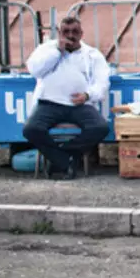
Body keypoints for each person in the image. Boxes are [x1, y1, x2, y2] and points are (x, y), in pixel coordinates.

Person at [23, 16, 111, 180]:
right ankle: (66, 161)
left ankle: (61, 158)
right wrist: (57, 51)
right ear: (59, 33)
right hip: (49, 103)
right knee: (31, 129)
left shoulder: (92, 54)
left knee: (100, 128)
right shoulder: (46, 49)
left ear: (81, 34)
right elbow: (34, 70)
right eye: (66, 32)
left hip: (79, 105)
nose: (70, 35)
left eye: (74, 32)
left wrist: (87, 95)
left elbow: (102, 83)